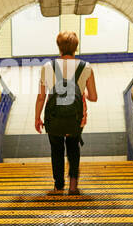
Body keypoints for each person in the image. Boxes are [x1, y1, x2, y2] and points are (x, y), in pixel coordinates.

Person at [35, 31, 98, 194]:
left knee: (56, 150)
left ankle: (58, 185)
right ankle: (73, 184)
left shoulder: (47, 67)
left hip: (53, 118)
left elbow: (41, 97)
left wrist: (37, 118)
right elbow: (94, 97)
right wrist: (81, 92)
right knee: (73, 148)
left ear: (59, 47)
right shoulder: (86, 67)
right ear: (76, 47)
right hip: (77, 118)